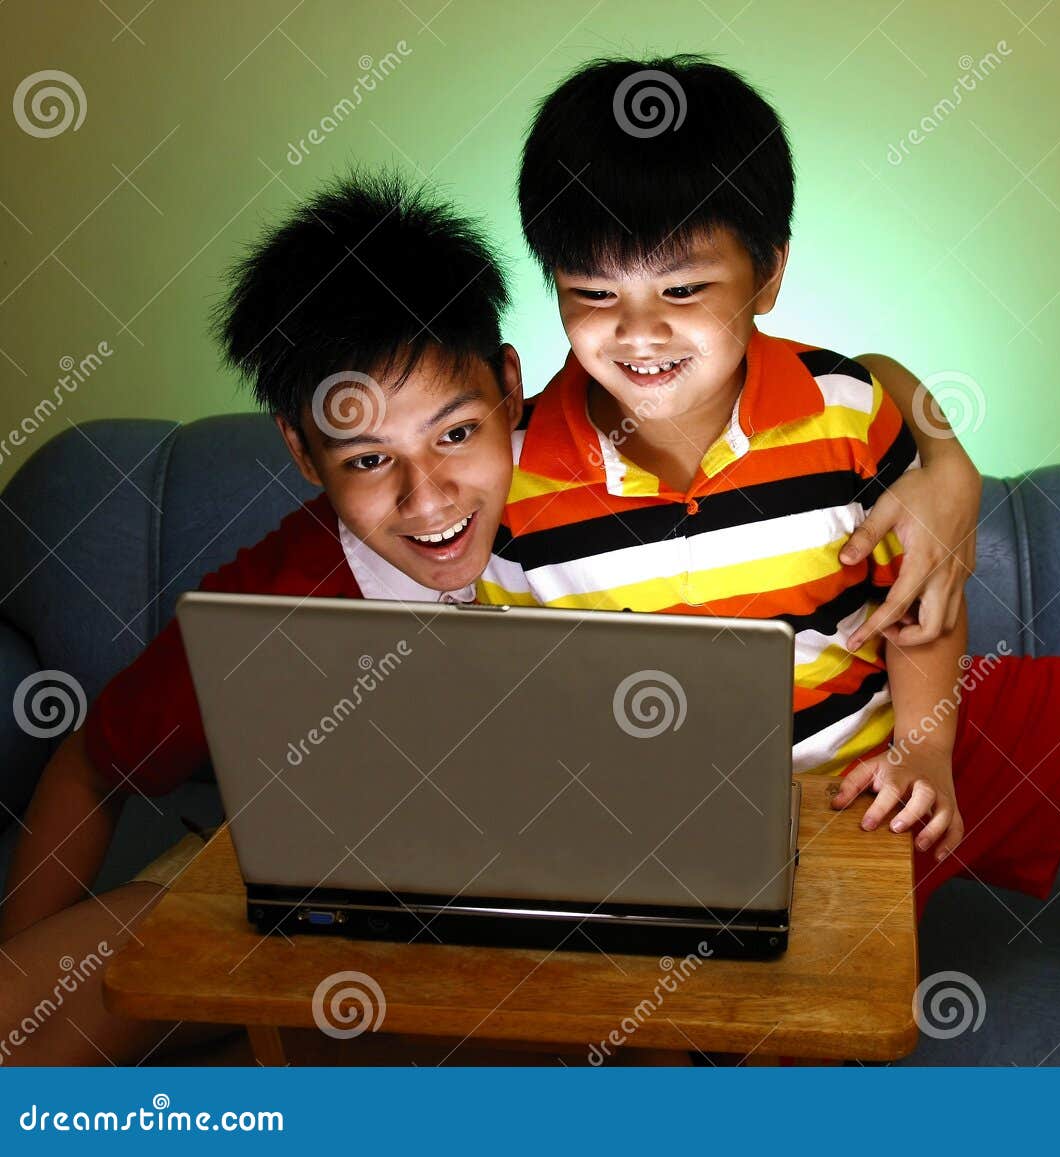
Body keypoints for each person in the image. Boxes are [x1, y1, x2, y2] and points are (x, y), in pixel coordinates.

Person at [0, 172, 979, 1065]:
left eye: (457, 435)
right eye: (368, 458)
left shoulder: (600, 463)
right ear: (305, 453)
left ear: (508, 389)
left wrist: (944, 461)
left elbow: (851, 375)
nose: (431, 502)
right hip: (329, 916)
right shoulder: (279, 595)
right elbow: (93, 760)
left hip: (601, 917)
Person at [504, 55, 1060, 1065]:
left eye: (684, 288)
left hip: (883, 750)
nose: (638, 334)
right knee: (771, 1043)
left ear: (766, 272)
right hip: (689, 842)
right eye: (591, 294)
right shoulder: (508, 480)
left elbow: (918, 594)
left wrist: (928, 747)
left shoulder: (846, 408)